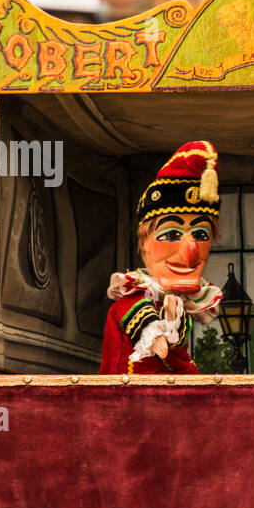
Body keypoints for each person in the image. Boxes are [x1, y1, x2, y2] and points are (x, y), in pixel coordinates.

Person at [99, 141, 224, 375]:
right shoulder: (132, 300)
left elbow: (176, 356)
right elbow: (161, 347)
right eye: (171, 234)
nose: (190, 251)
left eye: (200, 234)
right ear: (144, 245)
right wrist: (157, 328)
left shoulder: (178, 306)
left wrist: (173, 320)